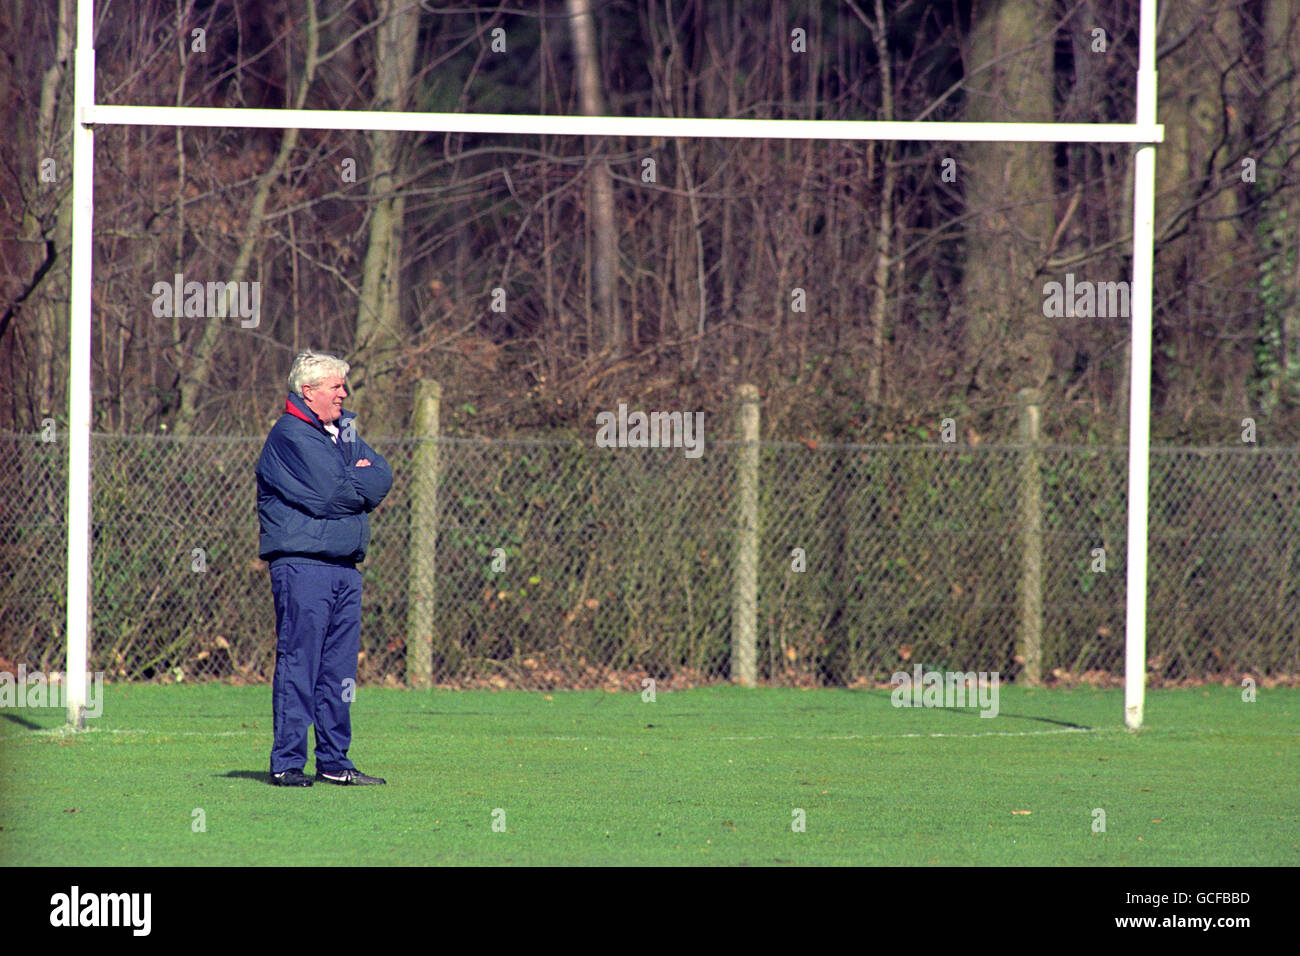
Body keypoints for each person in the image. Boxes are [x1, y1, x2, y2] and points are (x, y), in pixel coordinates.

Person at [256, 351, 393, 786]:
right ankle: (287, 763)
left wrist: (353, 477)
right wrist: (355, 476)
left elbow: (383, 477)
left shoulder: (344, 428)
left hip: (344, 568)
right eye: (336, 386)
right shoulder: (289, 435)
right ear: (308, 391)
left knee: (338, 672)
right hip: (303, 568)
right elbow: (333, 496)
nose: (344, 394)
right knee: (300, 665)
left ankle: (335, 763)